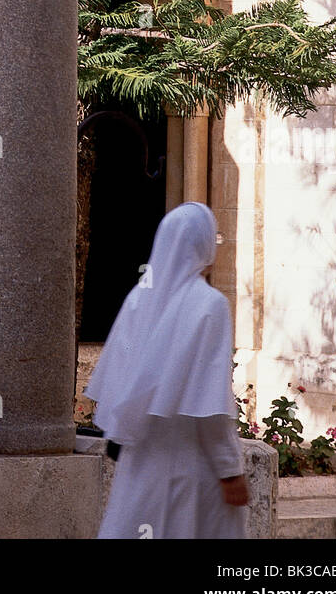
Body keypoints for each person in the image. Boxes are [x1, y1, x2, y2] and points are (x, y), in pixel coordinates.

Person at [86, 202, 249, 539]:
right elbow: (209, 406)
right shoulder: (210, 305)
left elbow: (119, 382)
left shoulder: (138, 298)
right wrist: (230, 470)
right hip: (192, 468)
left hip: (140, 468)